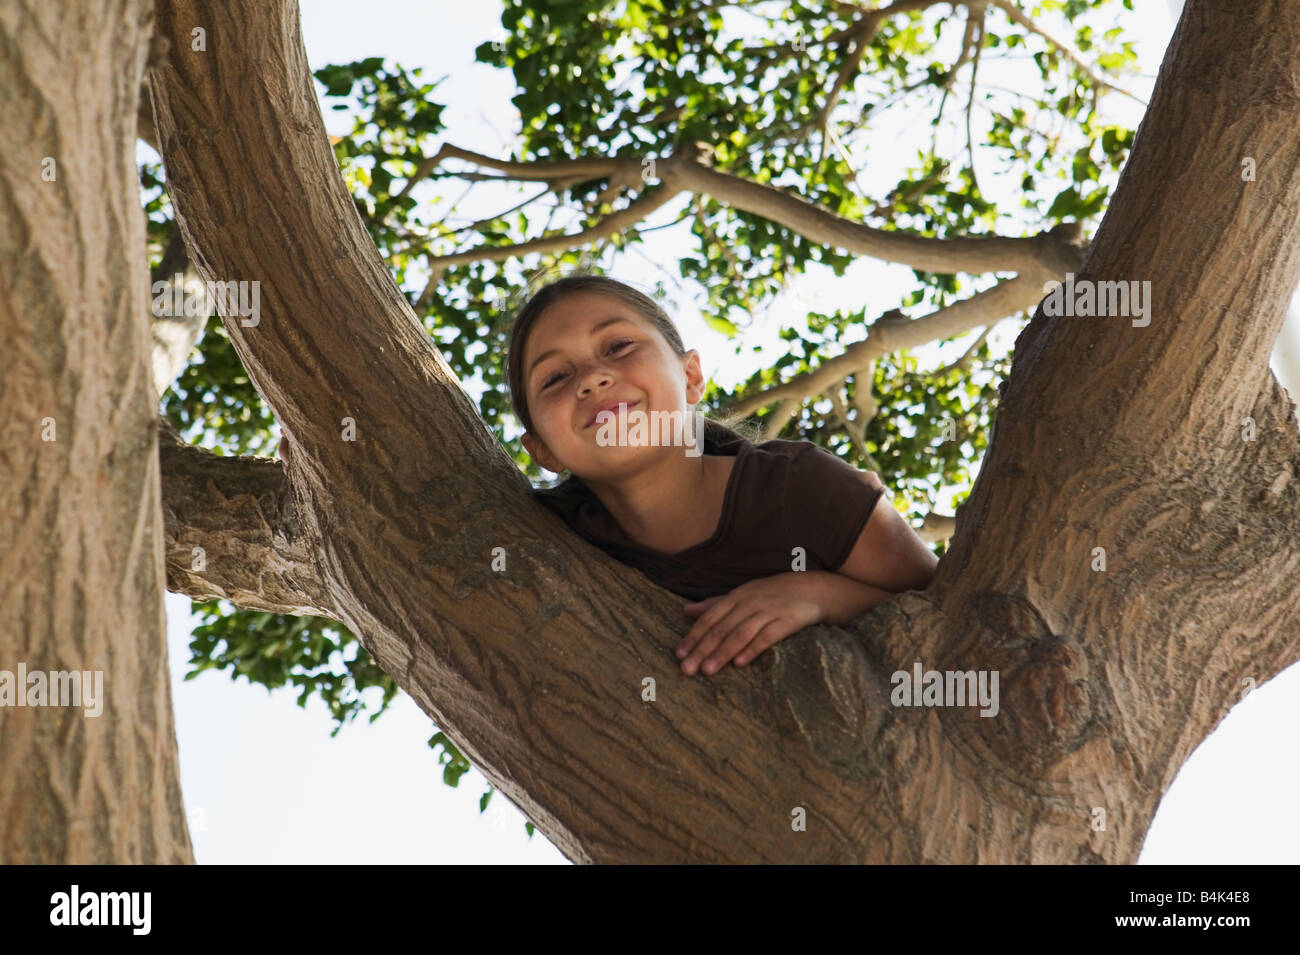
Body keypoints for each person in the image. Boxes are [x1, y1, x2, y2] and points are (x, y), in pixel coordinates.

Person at [506, 274, 938, 677]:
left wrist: (824, 596)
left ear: (690, 376)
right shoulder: (541, 535)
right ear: (542, 450)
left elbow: (949, 615)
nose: (592, 379)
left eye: (617, 346)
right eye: (557, 377)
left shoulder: (801, 491)